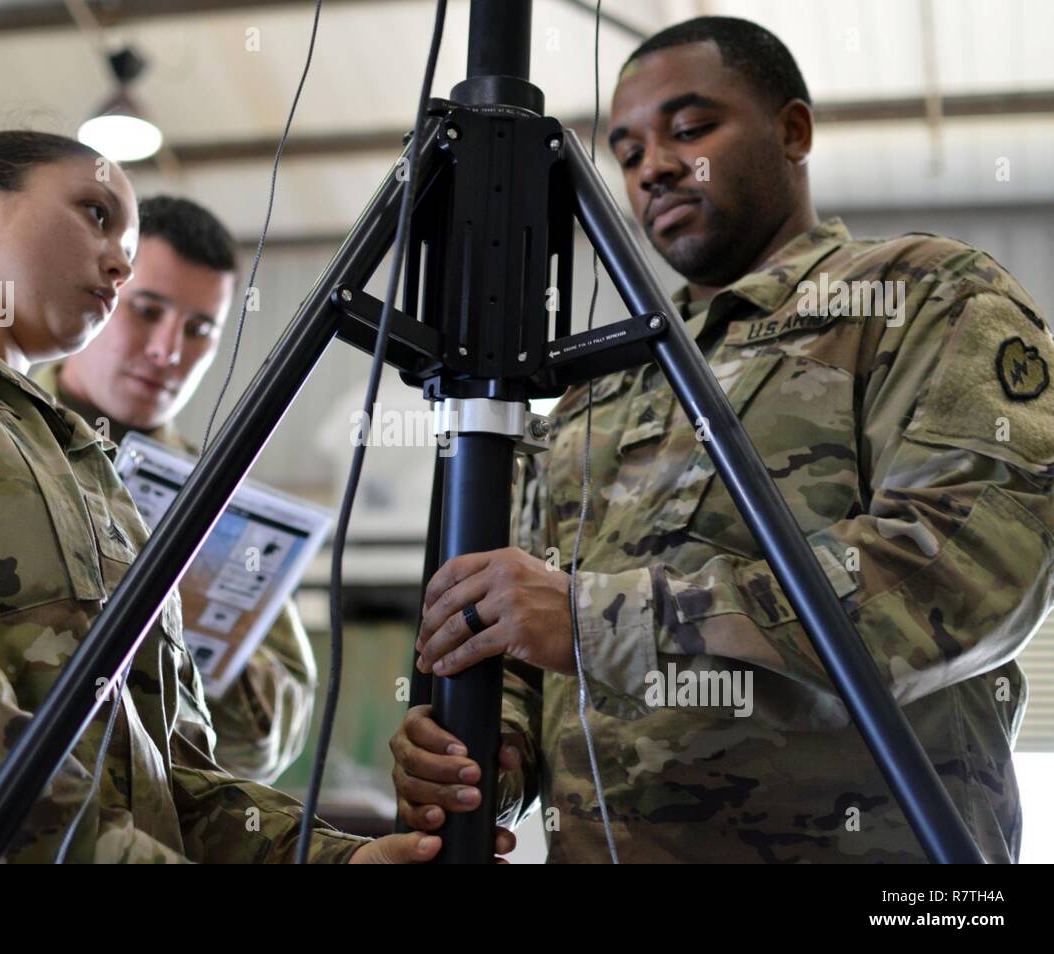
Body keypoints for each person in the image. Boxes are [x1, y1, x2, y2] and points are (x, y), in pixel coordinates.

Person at [390, 16, 1054, 862]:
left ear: (792, 130)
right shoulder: (602, 384)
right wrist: (488, 746)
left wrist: (600, 620)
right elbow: (524, 633)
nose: (655, 166)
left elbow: (963, 580)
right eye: (626, 153)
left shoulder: (918, 294)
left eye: (691, 129)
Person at [0, 129, 470, 864]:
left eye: (128, 241)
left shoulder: (91, 471)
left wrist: (336, 858)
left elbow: (173, 773)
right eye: (96, 213)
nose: (121, 261)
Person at [33, 195, 314, 784]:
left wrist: (185, 610)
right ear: (99, 292)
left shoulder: (221, 498)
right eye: (147, 310)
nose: (167, 351)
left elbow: (270, 746)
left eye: (199, 330)